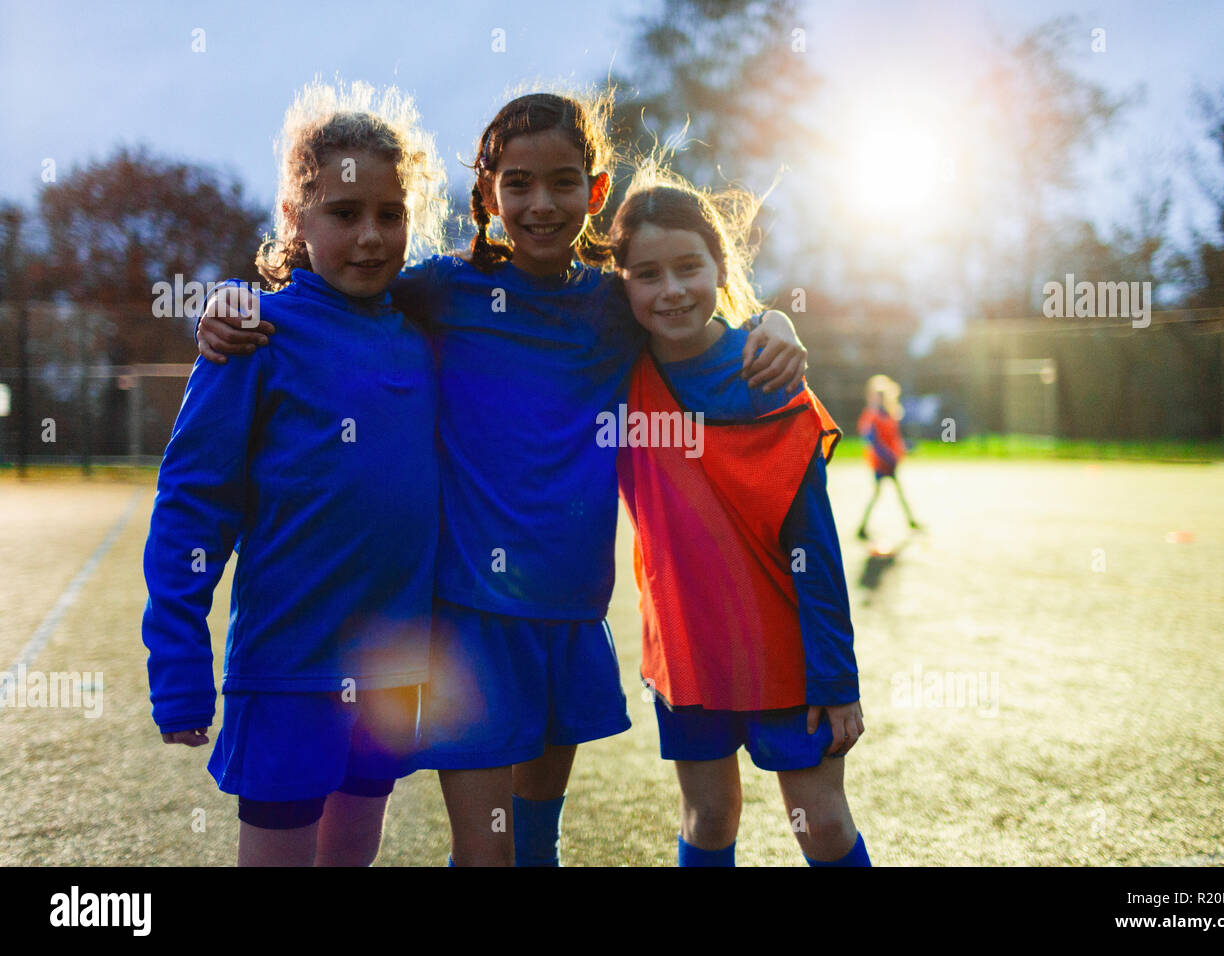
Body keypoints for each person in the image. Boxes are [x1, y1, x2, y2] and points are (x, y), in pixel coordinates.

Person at [195, 89, 809, 866]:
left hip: (571, 617)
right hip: (470, 623)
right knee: (486, 853)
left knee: (533, 844)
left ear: (596, 191)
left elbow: (693, 314)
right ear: (487, 193)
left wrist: (774, 324)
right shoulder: (441, 291)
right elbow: (331, 292)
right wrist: (226, 300)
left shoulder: (616, 306)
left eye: (561, 183)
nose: (540, 203)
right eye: (517, 183)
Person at [141, 81, 447, 866]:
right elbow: (191, 506)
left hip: (388, 674)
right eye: (344, 214)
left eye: (391, 214)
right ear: (295, 219)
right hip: (287, 673)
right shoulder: (254, 334)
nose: (372, 237)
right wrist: (178, 663)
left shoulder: (426, 330)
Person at [611, 168, 871, 866]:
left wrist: (837, 678)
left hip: (785, 655)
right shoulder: (614, 372)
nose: (671, 290)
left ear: (721, 267)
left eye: (689, 267)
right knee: (709, 818)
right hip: (688, 654)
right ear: (624, 284)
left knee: (820, 825)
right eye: (647, 274)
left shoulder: (769, 376)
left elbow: (814, 546)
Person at [856, 374, 921, 540]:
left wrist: (905, 447)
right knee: (877, 494)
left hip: (891, 463)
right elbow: (872, 441)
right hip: (880, 464)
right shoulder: (871, 417)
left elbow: (894, 439)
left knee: (897, 493)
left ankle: (911, 521)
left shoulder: (891, 415)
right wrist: (887, 456)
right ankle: (862, 527)